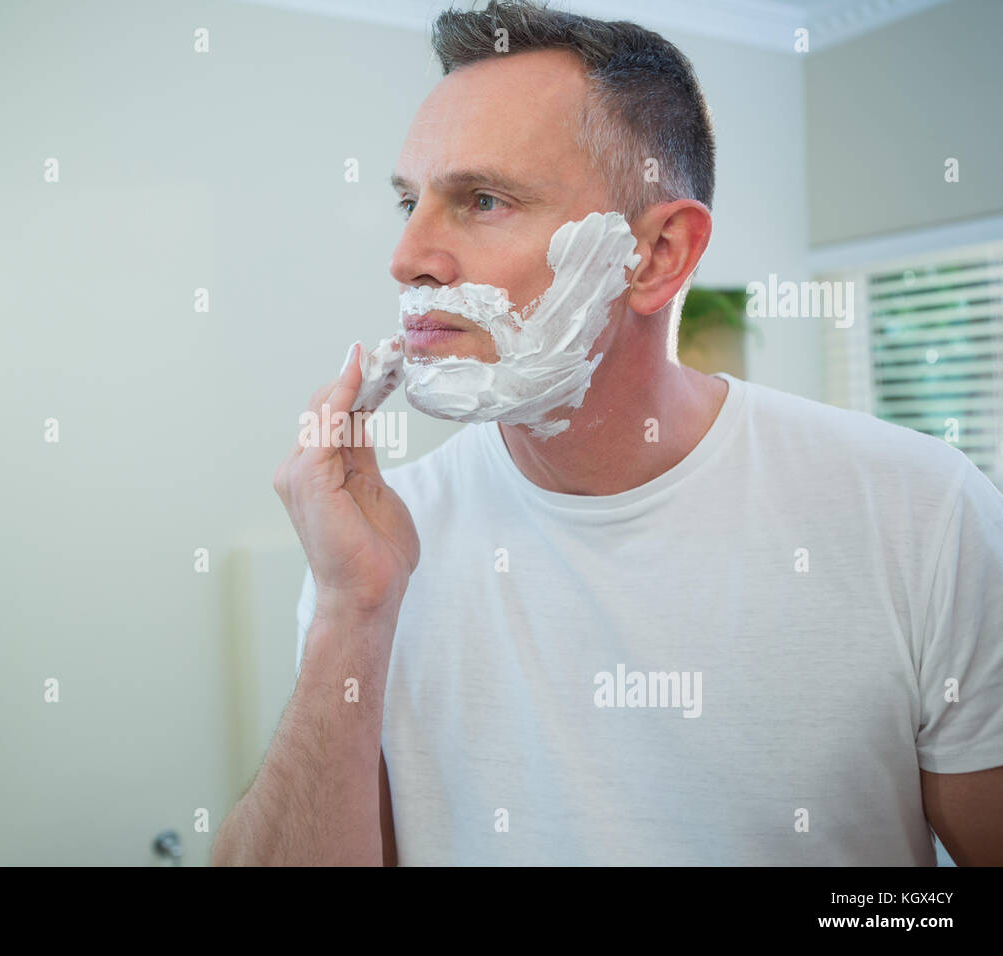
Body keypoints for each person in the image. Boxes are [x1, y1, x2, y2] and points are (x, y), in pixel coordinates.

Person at [211, 0, 1003, 866]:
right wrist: (349, 611)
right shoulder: (373, 548)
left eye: (480, 199)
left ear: (658, 254)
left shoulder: (919, 510)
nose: (407, 256)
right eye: (409, 202)